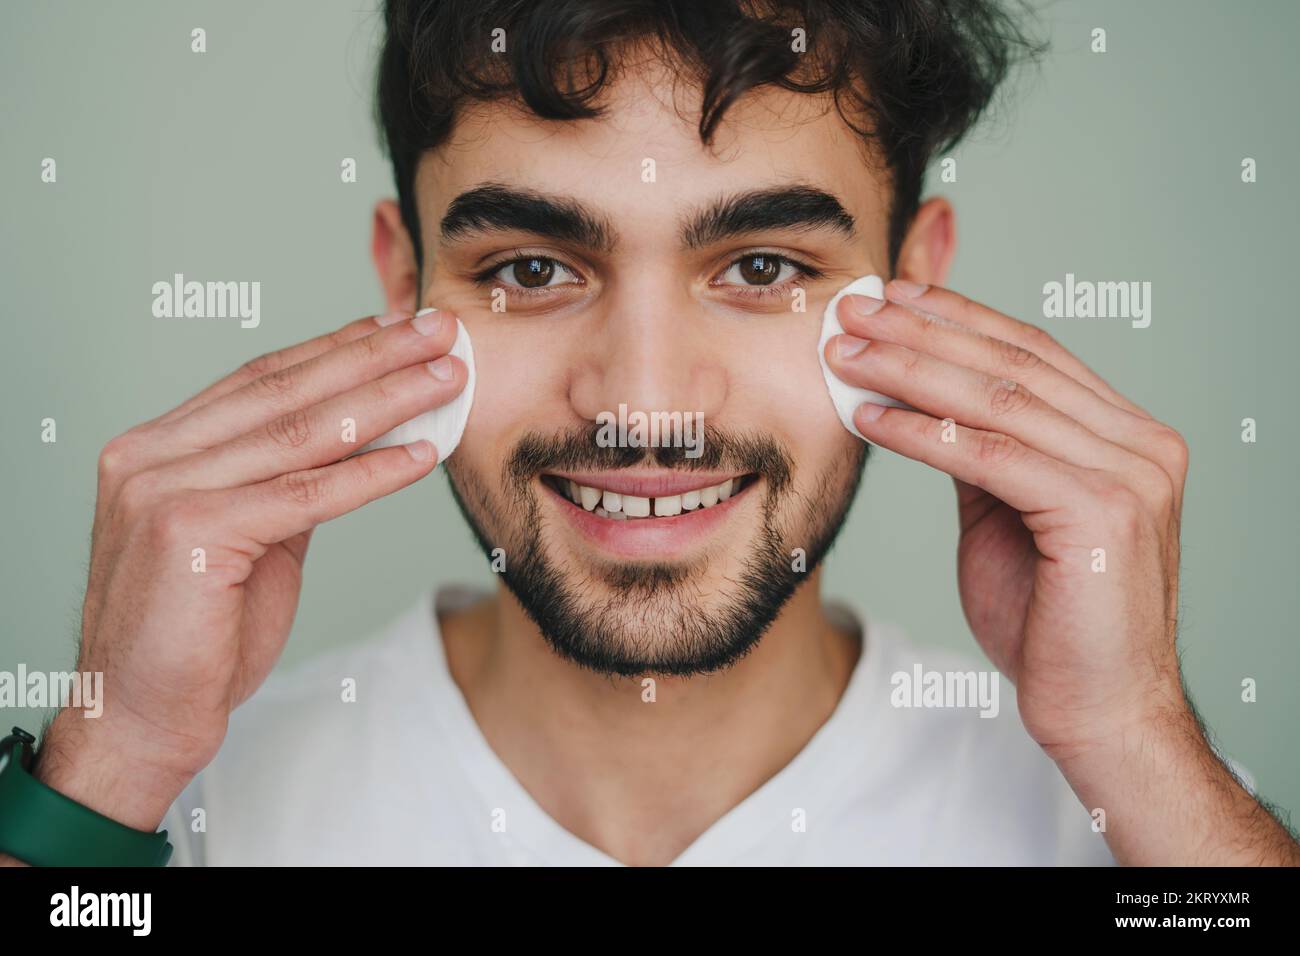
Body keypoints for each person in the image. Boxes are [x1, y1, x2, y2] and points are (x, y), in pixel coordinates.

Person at [6, 0, 1297, 867]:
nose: (642, 401)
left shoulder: (1118, 834)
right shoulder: (157, 828)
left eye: (761, 266)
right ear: (403, 290)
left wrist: (1136, 745)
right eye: (526, 269)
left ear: (921, 288)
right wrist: (111, 763)